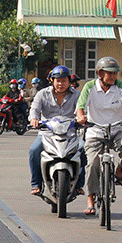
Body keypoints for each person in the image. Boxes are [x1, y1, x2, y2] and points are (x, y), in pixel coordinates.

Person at [76, 57, 122, 216]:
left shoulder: (120, 86)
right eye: (108, 73)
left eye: (114, 73)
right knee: (92, 164)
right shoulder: (89, 87)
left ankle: (119, 171)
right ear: (100, 73)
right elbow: (80, 106)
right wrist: (81, 117)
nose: (112, 76)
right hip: (95, 131)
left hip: (116, 129)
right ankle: (90, 200)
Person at [28, 65, 82, 196]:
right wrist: (34, 119)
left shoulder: (77, 95)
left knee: (83, 150)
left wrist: (82, 118)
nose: (61, 84)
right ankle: (36, 183)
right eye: (58, 80)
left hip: (70, 134)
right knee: (34, 151)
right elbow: (34, 109)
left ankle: (79, 184)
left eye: (64, 80)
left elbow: (82, 109)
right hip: (47, 133)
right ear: (52, 81)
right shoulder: (42, 94)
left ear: (69, 81)